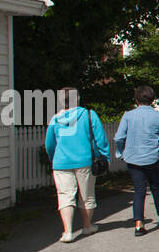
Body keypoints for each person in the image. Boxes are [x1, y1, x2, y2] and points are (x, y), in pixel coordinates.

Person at [43, 99, 110, 243]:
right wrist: (104, 156)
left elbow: (49, 144)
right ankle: (87, 226)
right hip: (85, 161)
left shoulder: (55, 119)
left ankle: (68, 232)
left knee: (65, 196)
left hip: (61, 163)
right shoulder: (89, 115)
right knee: (86, 196)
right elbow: (100, 139)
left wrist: (54, 157)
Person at [114, 84, 159, 236]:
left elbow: (119, 137)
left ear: (136, 99)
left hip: (133, 158)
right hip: (154, 157)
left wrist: (120, 152)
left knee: (139, 190)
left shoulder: (128, 115)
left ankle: (139, 224)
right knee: (156, 188)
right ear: (153, 99)